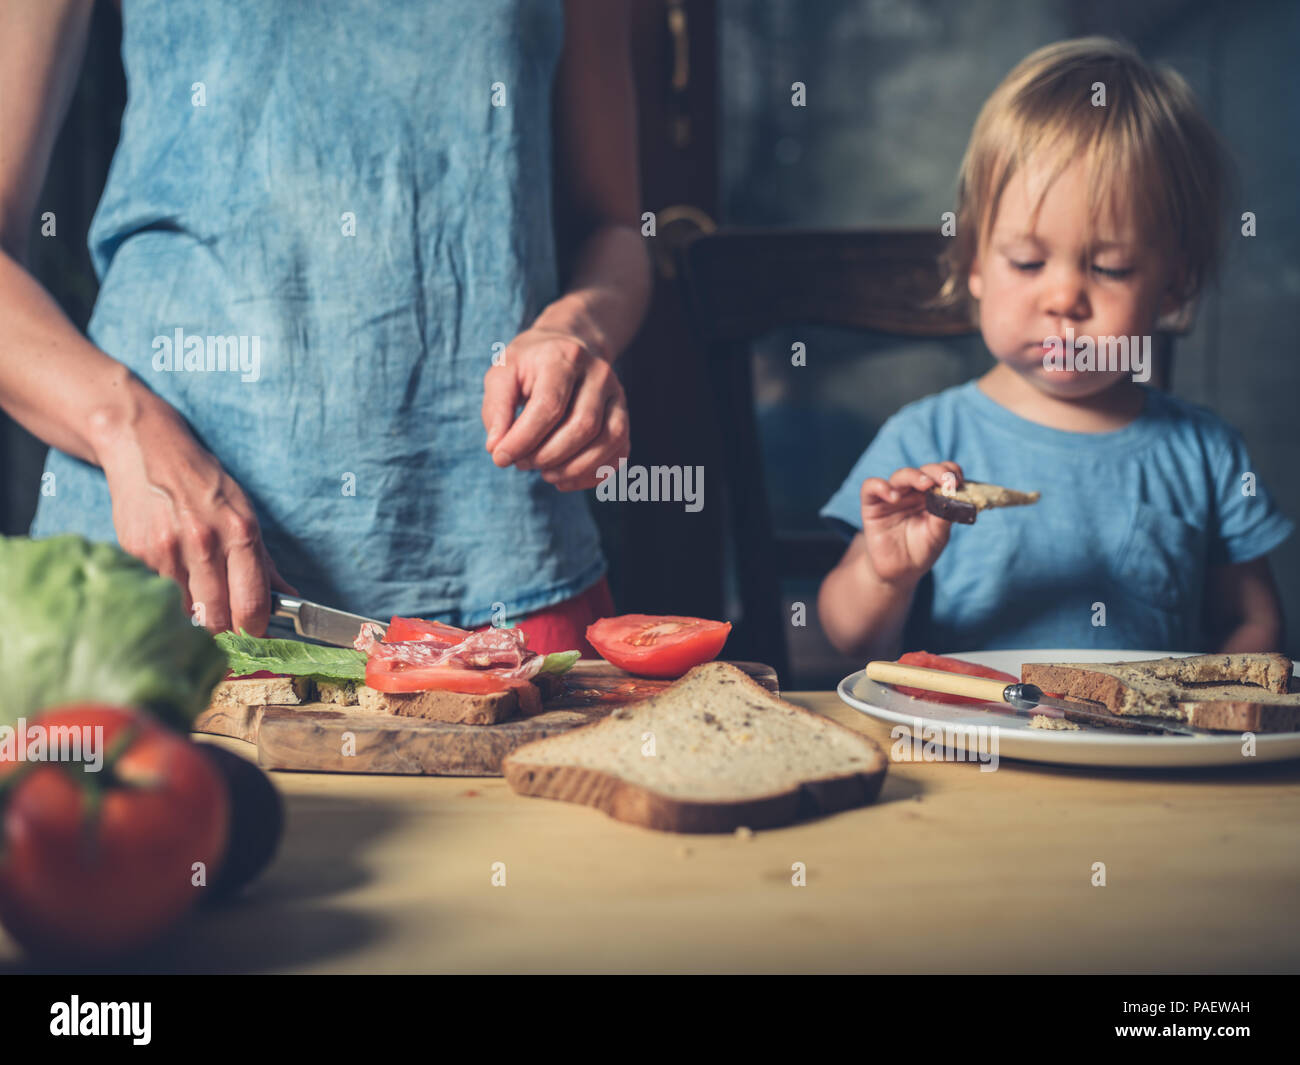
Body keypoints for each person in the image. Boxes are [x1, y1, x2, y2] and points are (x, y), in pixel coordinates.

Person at [0, 0, 649, 654]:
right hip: (171, 574)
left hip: (505, 569)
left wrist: (578, 330)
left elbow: (617, 229)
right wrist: (123, 426)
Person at [818, 37, 1292, 659]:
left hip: (1147, 728)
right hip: (968, 726)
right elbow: (849, 639)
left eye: (1111, 268)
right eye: (1027, 261)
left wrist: (1220, 698)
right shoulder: (924, 439)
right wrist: (887, 577)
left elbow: (1254, 623)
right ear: (975, 264)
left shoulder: (1206, 452)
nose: (1064, 299)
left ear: (1174, 285)